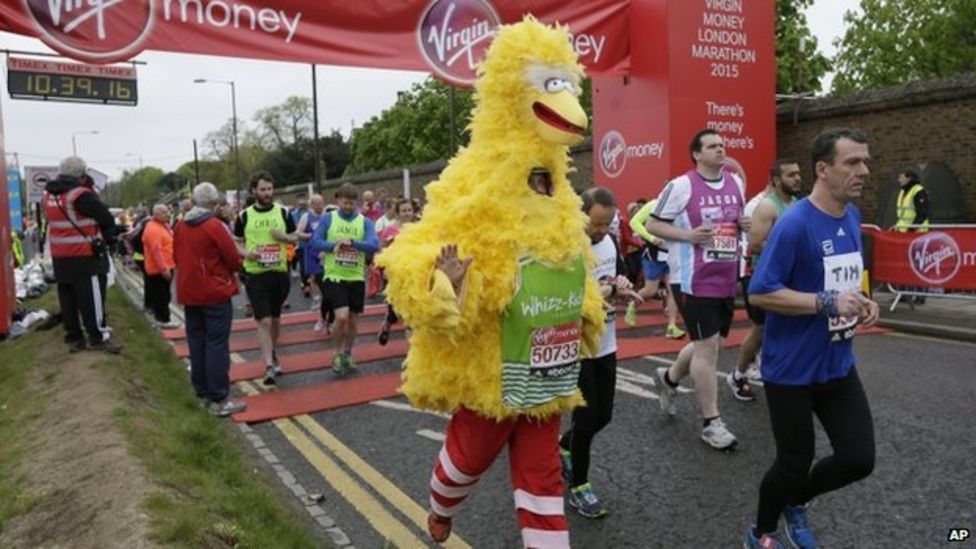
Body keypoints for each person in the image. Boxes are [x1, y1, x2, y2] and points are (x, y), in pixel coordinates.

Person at [743, 128, 878, 549]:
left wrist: (865, 302)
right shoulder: (794, 225)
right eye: (852, 163)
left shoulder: (852, 216)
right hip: (791, 370)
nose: (864, 171)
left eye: (865, 161)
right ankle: (760, 532)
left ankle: (795, 502)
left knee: (858, 459)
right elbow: (760, 291)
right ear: (822, 169)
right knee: (793, 461)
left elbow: (847, 281)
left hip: (837, 364)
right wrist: (824, 302)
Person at [646, 129, 749, 450]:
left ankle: (669, 379)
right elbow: (652, 224)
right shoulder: (681, 185)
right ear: (697, 154)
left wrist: (743, 225)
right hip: (693, 279)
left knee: (713, 342)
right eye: (713, 146)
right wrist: (689, 236)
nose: (721, 150)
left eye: (722, 145)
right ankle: (711, 423)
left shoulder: (736, 183)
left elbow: (735, 222)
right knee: (708, 350)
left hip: (725, 276)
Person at [559, 187, 641, 519]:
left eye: (607, 224)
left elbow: (616, 274)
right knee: (587, 418)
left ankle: (565, 446)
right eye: (595, 224)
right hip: (575, 346)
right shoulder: (566, 248)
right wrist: (604, 290)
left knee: (603, 415)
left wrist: (624, 288)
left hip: (605, 343)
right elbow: (564, 297)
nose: (601, 231)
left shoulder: (608, 242)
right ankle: (579, 486)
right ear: (580, 216)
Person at [730, 159, 802, 401]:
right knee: (761, 330)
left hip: (789, 278)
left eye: (798, 173)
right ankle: (738, 375)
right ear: (776, 180)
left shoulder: (798, 204)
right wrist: (788, 252)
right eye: (791, 175)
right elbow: (755, 243)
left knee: (787, 326)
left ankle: (780, 372)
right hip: (762, 277)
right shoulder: (767, 207)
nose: (797, 178)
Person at [174, 182, 248, 417]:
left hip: (189, 290)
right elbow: (232, 257)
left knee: (196, 342)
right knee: (216, 344)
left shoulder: (180, 225)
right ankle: (219, 397)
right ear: (215, 203)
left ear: (195, 202)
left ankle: (203, 392)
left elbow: (176, 254)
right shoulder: (214, 226)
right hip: (214, 291)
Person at [43, 156, 121, 354]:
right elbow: (105, 217)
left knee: (67, 298)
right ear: (81, 174)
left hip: (60, 256)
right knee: (92, 298)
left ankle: (74, 337)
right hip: (84, 255)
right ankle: (98, 337)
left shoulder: (49, 196)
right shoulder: (80, 195)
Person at [234, 171, 299, 385]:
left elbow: (295, 237)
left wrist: (285, 238)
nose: (267, 193)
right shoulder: (244, 216)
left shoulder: (283, 212)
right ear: (254, 191)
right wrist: (246, 253)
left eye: (270, 189)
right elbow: (236, 241)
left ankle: (273, 353)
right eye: (262, 189)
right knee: (264, 320)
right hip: (255, 274)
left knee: (276, 320)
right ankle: (269, 365)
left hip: (279, 273)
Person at [310, 183, 380, 375]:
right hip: (334, 275)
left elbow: (374, 244)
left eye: (351, 203)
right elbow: (315, 242)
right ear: (338, 200)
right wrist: (334, 245)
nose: (348, 206)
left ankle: (348, 353)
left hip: (356, 276)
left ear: (356, 203)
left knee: (353, 321)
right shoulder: (328, 219)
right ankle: (336, 353)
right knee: (341, 317)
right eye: (344, 202)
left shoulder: (364, 222)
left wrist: (354, 243)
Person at [628, 197, 686, 339]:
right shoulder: (654, 205)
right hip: (654, 256)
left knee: (673, 289)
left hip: (671, 255)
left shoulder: (681, 207)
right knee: (650, 290)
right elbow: (634, 222)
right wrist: (651, 238)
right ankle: (632, 305)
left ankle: (671, 326)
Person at [376, 198, 416, 345]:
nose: (407, 213)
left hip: (413, 272)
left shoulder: (418, 228)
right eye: (404, 210)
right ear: (398, 213)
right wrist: (384, 269)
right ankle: (386, 324)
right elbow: (382, 250)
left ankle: (412, 345)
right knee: (394, 308)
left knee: (411, 308)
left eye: (409, 210)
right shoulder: (390, 229)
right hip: (394, 272)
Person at [295, 194, 333, 332]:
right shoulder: (306, 217)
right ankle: (323, 317)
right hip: (312, 254)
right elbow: (298, 233)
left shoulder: (329, 216)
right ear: (311, 205)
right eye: (316, 204)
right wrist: (311, 235)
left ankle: (328, 320)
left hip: (327, 254)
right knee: (323, 287)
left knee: (330, 291)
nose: (319, 206)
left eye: (321, 203)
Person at [894, 168, 930, 305]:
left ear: (909, 178)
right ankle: (904, 293)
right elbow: (902, 214)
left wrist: (912, 229)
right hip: (903, 234)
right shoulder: (902, 192)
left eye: (901, 177)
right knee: (904, 265)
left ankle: (920, 295)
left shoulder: (918, 191)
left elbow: (922, 213)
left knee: (918, 264)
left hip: (917, 233)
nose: (899, 179)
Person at [142, 204, 179, 329]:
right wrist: (164, 269)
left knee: (163, 294)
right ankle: (163, 319)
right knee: (162, 295)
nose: (167, 214)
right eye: (164, 212)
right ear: (156, 215)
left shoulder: (161, 226)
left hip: (166, 265)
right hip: (159, 269)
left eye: (167, 211)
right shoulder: (153, 229)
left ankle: (161, 317)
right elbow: (156, 251)